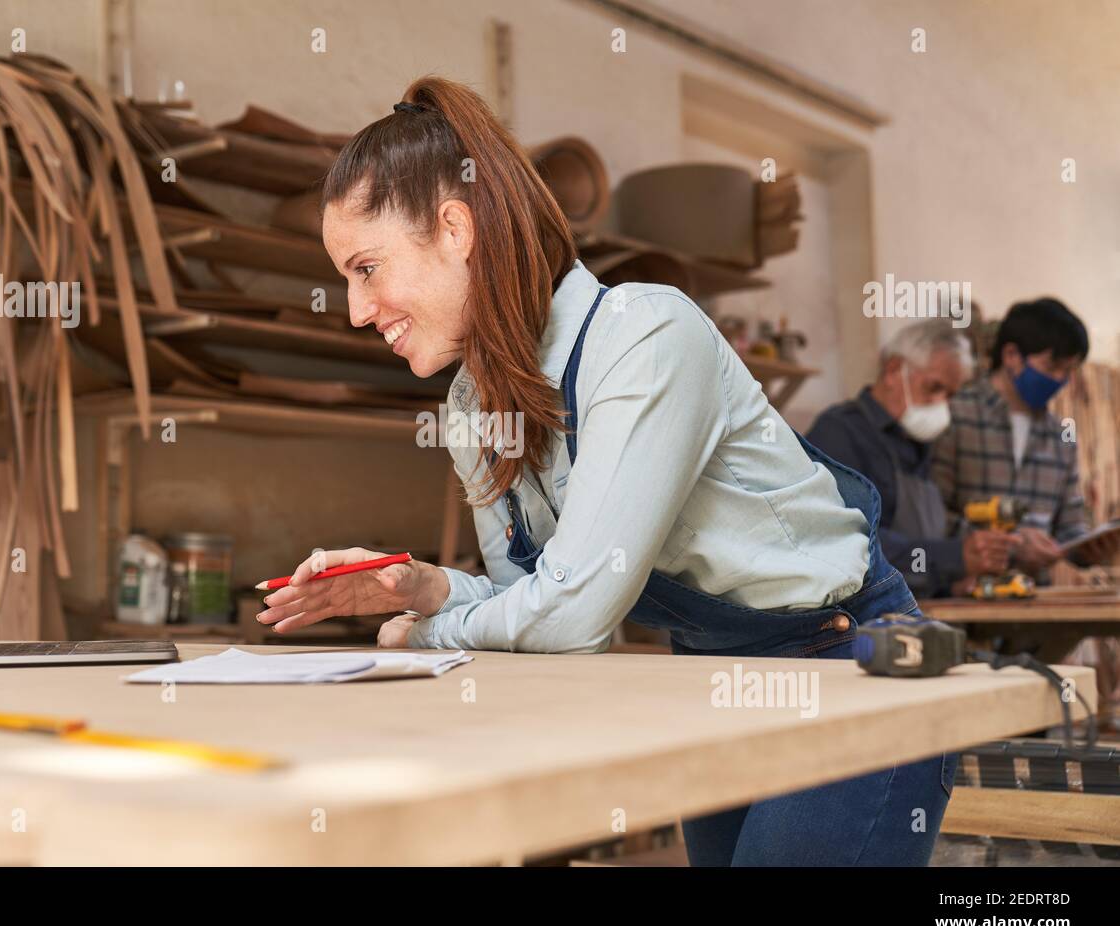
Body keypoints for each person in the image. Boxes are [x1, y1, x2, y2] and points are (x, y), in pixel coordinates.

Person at [257, 76, 954, 866]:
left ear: (455, 229)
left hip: (847, 662)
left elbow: (569, 616)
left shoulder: (645, 336)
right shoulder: (470, 404)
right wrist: (421, 585)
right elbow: (537, 613)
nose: (355, 309)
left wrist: (426, 631)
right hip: (715, 678)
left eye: (367, 268)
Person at [807, 320, 1012, 598]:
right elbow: (848, 543)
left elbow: (920, 545)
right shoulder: (840, 434)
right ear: (893, 370)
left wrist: (951, 582)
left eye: (950, 395)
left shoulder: (917, 444)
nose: (942, 404)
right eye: (934, 388)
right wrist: (953, 557)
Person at [931, 298, 1120, 591]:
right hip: (963, 598)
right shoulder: (955, 416)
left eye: (1069, 371)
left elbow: (1069, 526)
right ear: (1011, 355)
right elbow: (930, 514)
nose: (1061, 380)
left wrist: (1089, 548)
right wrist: (1013, 543)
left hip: (1033, 601)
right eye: (1053, 366)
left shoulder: (1062, 438)